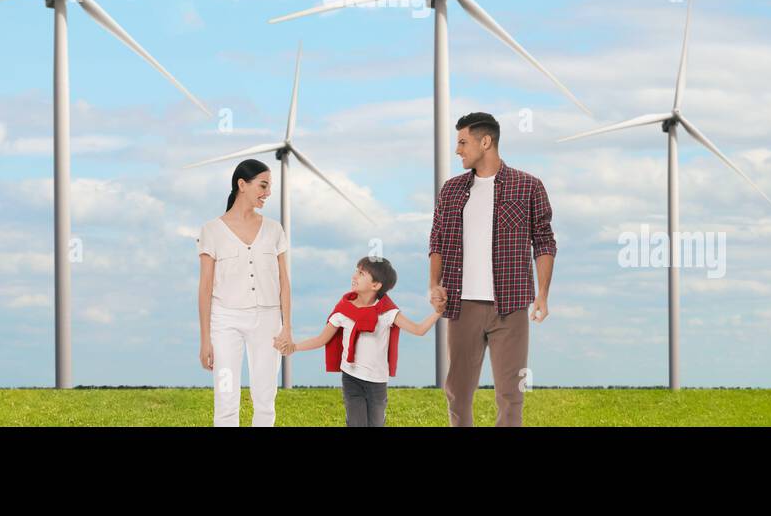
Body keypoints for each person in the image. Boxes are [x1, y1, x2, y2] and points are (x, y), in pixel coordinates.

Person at [428, 112, 556, 427]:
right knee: (457, 392)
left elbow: (544, 242)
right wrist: (435, 285)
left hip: (510, 306)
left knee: (511, 394)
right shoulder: (451, 189)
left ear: (485, 142)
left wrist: (543, 295)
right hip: (460, 306)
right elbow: (437, 241)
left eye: (462, 142)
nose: (457, 150)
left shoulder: (528, 186)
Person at [286, 256, 442, 426]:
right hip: (351, 378)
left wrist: (438, 312)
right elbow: (321, 339)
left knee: (375, 423)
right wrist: (294, 346)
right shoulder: (343, 310)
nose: (354, 277)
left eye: (361, 273)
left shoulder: (387, 312)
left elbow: (418, 330)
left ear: (376, 285)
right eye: (356, 271)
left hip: (377, 382)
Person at [197, 158, 293, 426]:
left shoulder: (274, 229)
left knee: (265, 398)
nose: (268, 192)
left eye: (270, 186)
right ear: (242, 184)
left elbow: (284, 282)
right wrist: (205, 339)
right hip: (225, 321)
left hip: (268, 320)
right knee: (226, 398)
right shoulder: (211, 230)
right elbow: (205, 288)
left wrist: (286, 327)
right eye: (263, 185)